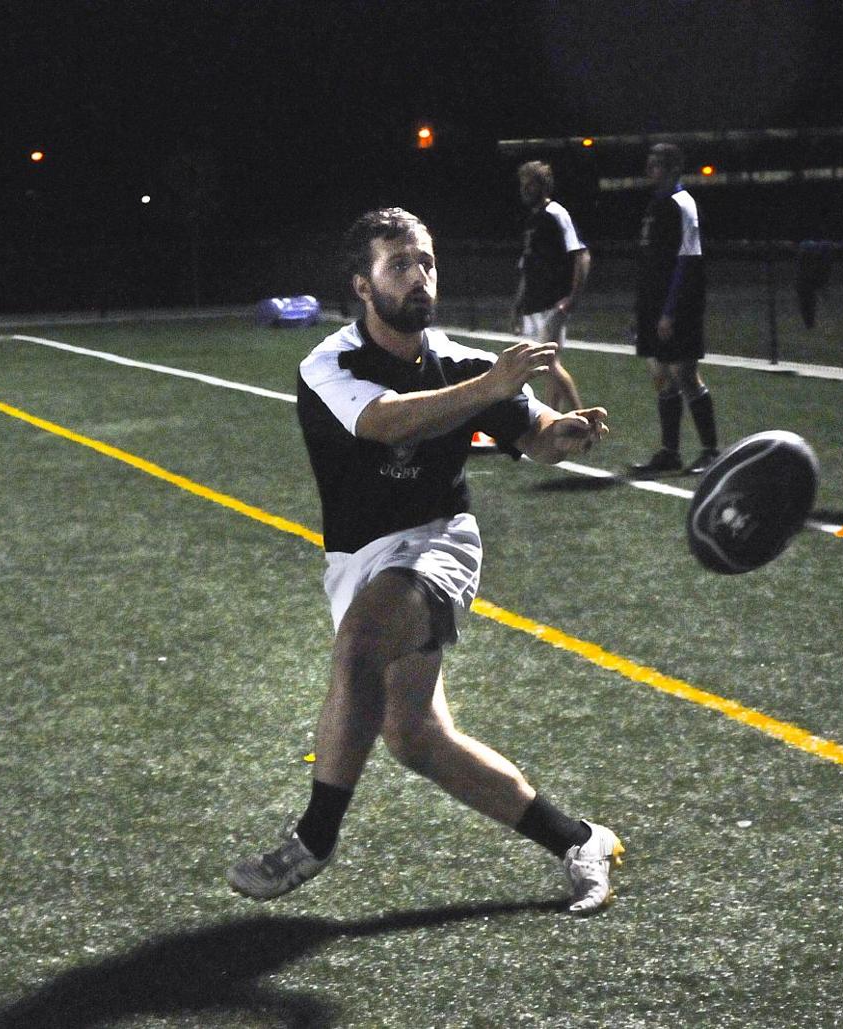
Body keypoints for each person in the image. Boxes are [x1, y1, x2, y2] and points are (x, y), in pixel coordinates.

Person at [228, 208, 622, 914]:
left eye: (427, 263)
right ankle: (579, 839)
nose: (419, 278)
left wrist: (564, 432)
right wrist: (492, 388)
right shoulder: (330, 364)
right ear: (363, 284)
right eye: (399, 265)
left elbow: (535, 437)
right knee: (417, 736)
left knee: (360, 646)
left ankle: (314, 837)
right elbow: (387, 421)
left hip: (438, 540)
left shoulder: (468, 364)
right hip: (359, 557)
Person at [630, 142, 720, 476]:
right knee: (661, 376)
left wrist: (670, 310)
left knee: (685, 374)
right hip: (652, 305)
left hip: (678, 305)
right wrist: (642, 310)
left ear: (671, 168)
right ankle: (670, 452)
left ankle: (711, 451)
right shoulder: (655, 205)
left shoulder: (683, 204)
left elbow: (687, 260)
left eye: (656, 164)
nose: (649, 169)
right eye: (649, 163)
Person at [511, 160, 591, 412]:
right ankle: (554, 424)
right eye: (522, 184)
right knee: (547, 367)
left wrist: (571, 299)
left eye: (530, 184)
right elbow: (527, 267)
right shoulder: (532, 221)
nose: (524, 189)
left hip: (553, 304)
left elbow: (581, 254)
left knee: (547, 362)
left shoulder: (556, 213)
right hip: (534, 304)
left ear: (543, 186)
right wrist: (517, 304)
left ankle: (584, 420)